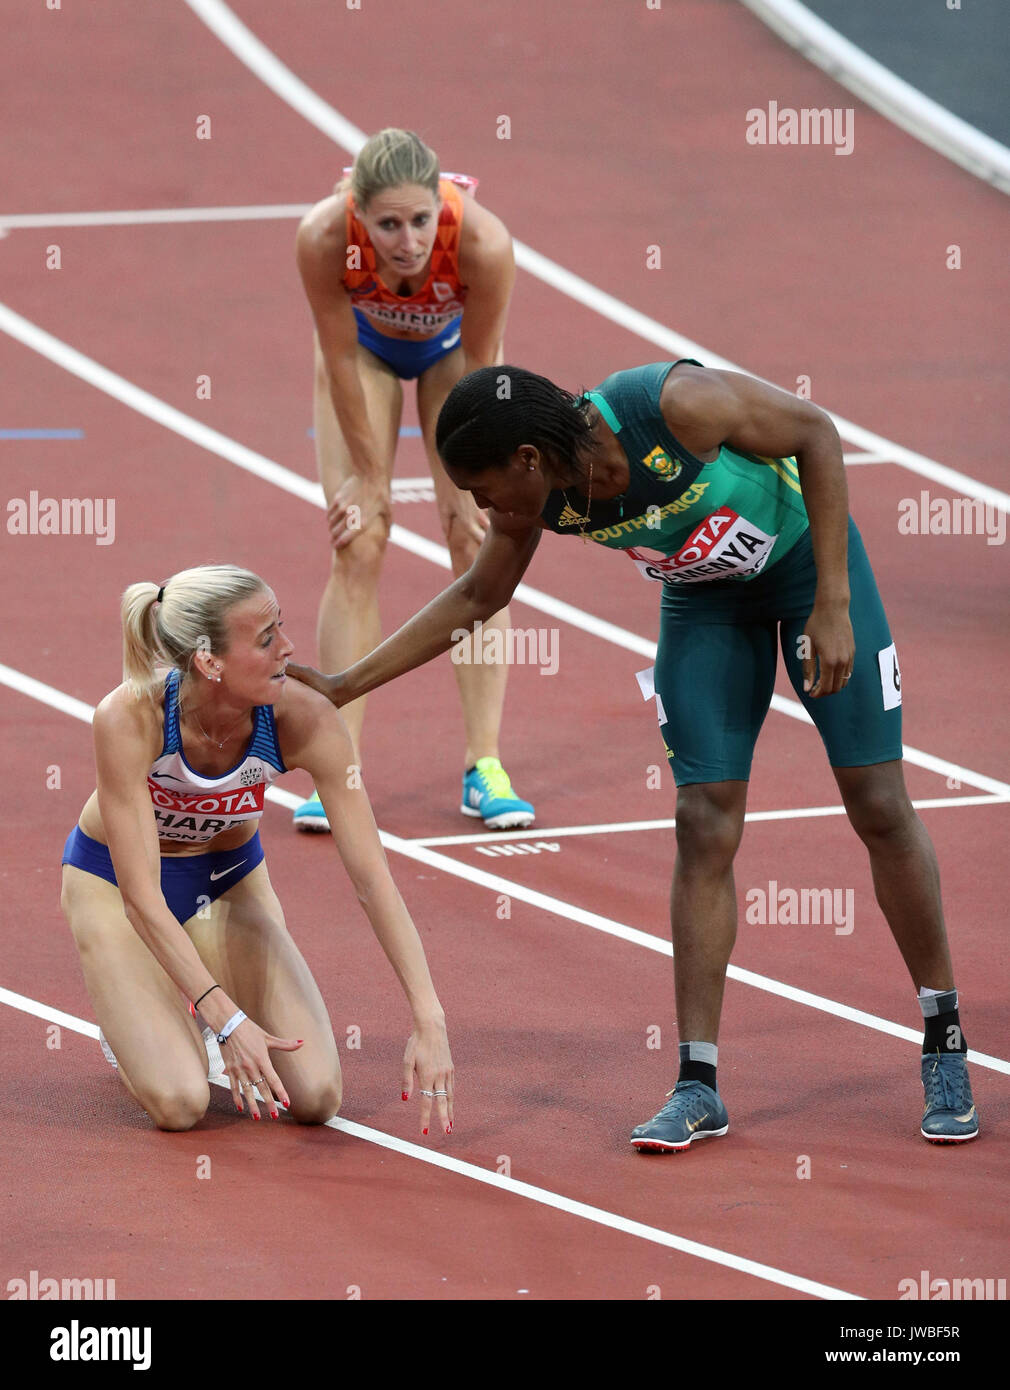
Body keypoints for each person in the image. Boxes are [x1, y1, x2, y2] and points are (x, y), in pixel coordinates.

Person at [288, 359, 980, 1152]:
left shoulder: (675, 406)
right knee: (702, 821)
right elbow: (480, 595)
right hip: (704, 601)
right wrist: (344, 684)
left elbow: (817, 435)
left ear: (527, 459)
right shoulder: (535, 497)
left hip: (801, 574)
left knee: (879, 804)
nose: (481, 509)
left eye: (483, 490)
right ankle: (698, 1083)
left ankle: (944, 1038)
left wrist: (833, 600)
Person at [60, 564, 453, 1137]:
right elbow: (142, 901)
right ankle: (136, 1026)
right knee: (180, 1103)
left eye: (282, 629)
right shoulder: (129, 717)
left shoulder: (305, 718)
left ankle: (182, 998)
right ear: (209, 661)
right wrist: (226, 1019)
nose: (288, 649)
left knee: (316, 1097)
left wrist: (429, 1015)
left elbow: (374, 881)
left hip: (226, 882)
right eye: (266, 639)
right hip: (115, 885)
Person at [291, 127, 533, 834]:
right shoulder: (322, 237)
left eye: (421, 220)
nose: (407, 241)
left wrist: (463, 493)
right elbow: (337, 358)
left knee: (476, 541)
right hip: (364, 356)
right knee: (359, 538)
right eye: (389, 224)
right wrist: (370, 477)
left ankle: (484, 766)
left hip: (452, 358)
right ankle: (339, 761)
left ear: (441, 206)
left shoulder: (483, 244)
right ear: (356, 210)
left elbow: (485, 372)